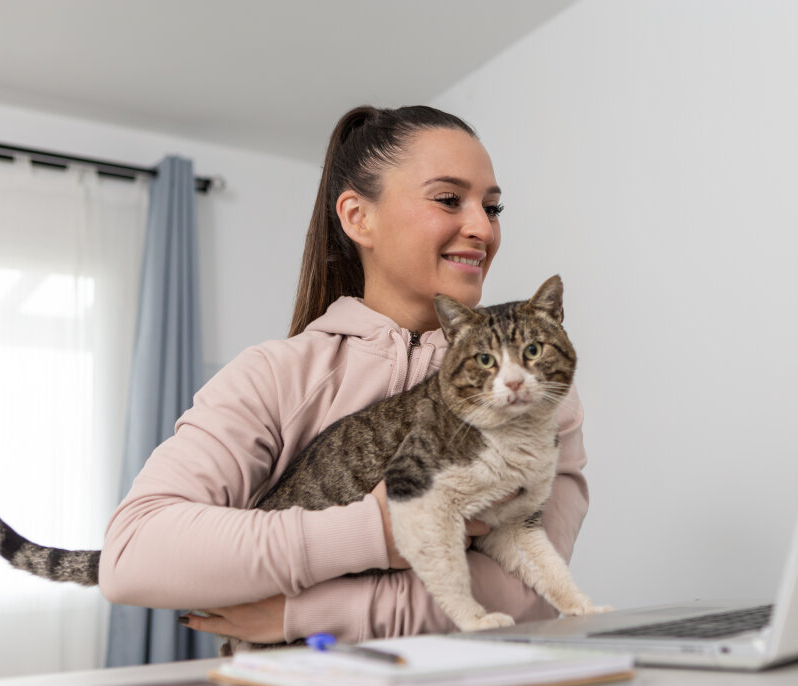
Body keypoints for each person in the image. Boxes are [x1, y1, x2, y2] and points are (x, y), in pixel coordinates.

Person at [97, 106, 588, 646]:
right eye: (449, 200)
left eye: (492, 208)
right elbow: (133, 553)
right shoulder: (276, 375)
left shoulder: (544, 399)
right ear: (358, 217)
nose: (481, 229)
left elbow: (530, 595)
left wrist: (304, 613)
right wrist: (376, 530)